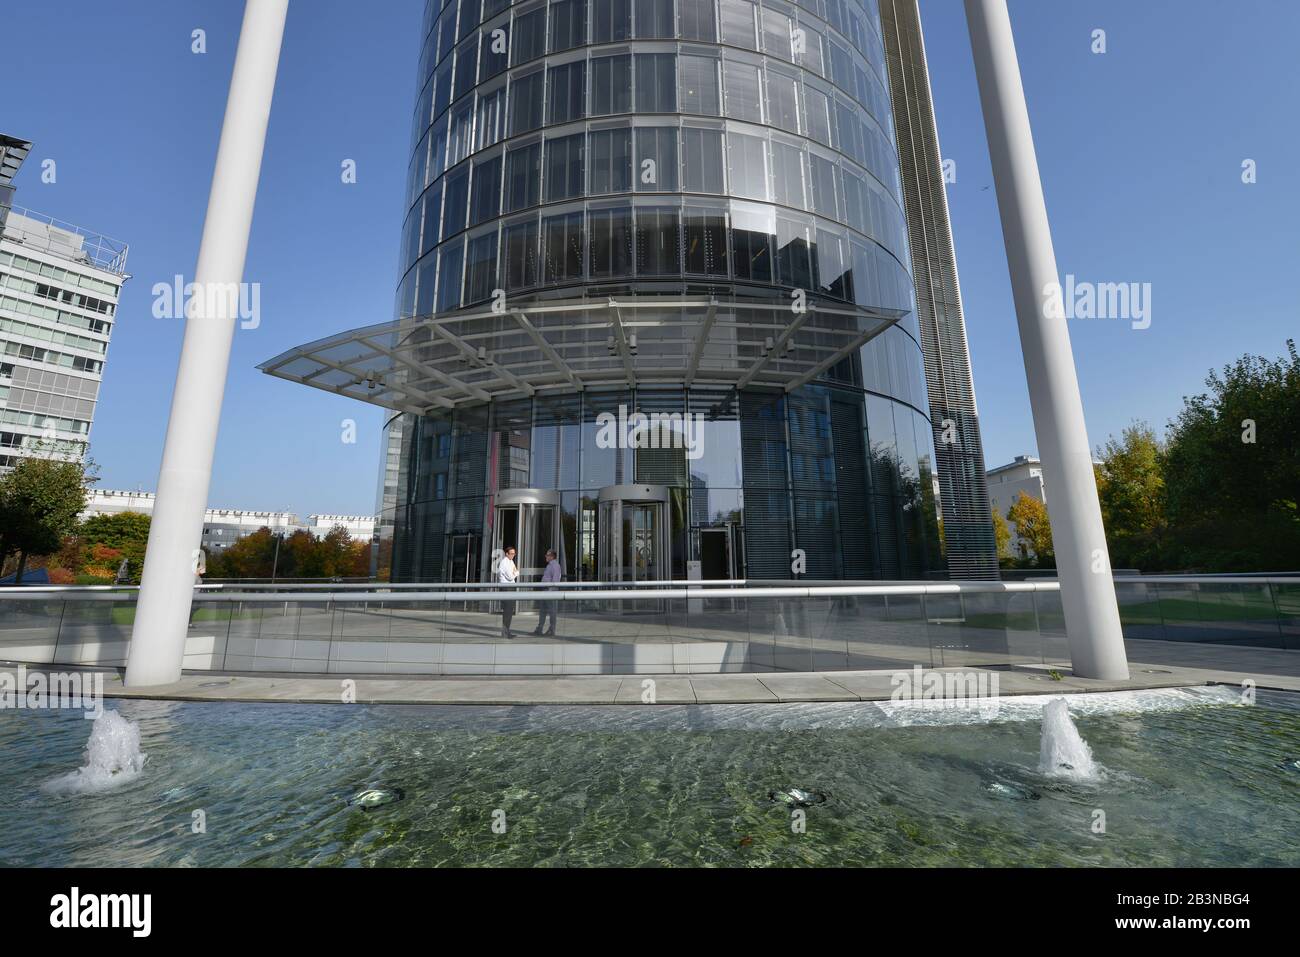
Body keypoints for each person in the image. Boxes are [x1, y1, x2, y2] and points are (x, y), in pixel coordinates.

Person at [533, 549, 562, 636]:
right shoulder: (549, 565)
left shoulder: (555, 566)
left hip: (550, 592)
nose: (545, 556)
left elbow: (555, 580)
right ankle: (539, 629)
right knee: (543, 611)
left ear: (552, 557)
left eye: (547, 555)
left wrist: (550, 592)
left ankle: (551, 630)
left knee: (552, 611)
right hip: (545, 591)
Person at [497, 545, 519, 639]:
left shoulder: (511, 561)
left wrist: (515, 572)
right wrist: (516, 573)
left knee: (509, 611)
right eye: (511, 553)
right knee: (507, 611)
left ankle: (507, 631)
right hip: (506, 588)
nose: (513, 555)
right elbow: (511, 576)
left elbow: (515, 571)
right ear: (506, 554)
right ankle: (505, 632)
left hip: (511, 587)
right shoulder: (504, 563)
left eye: (514, 553)